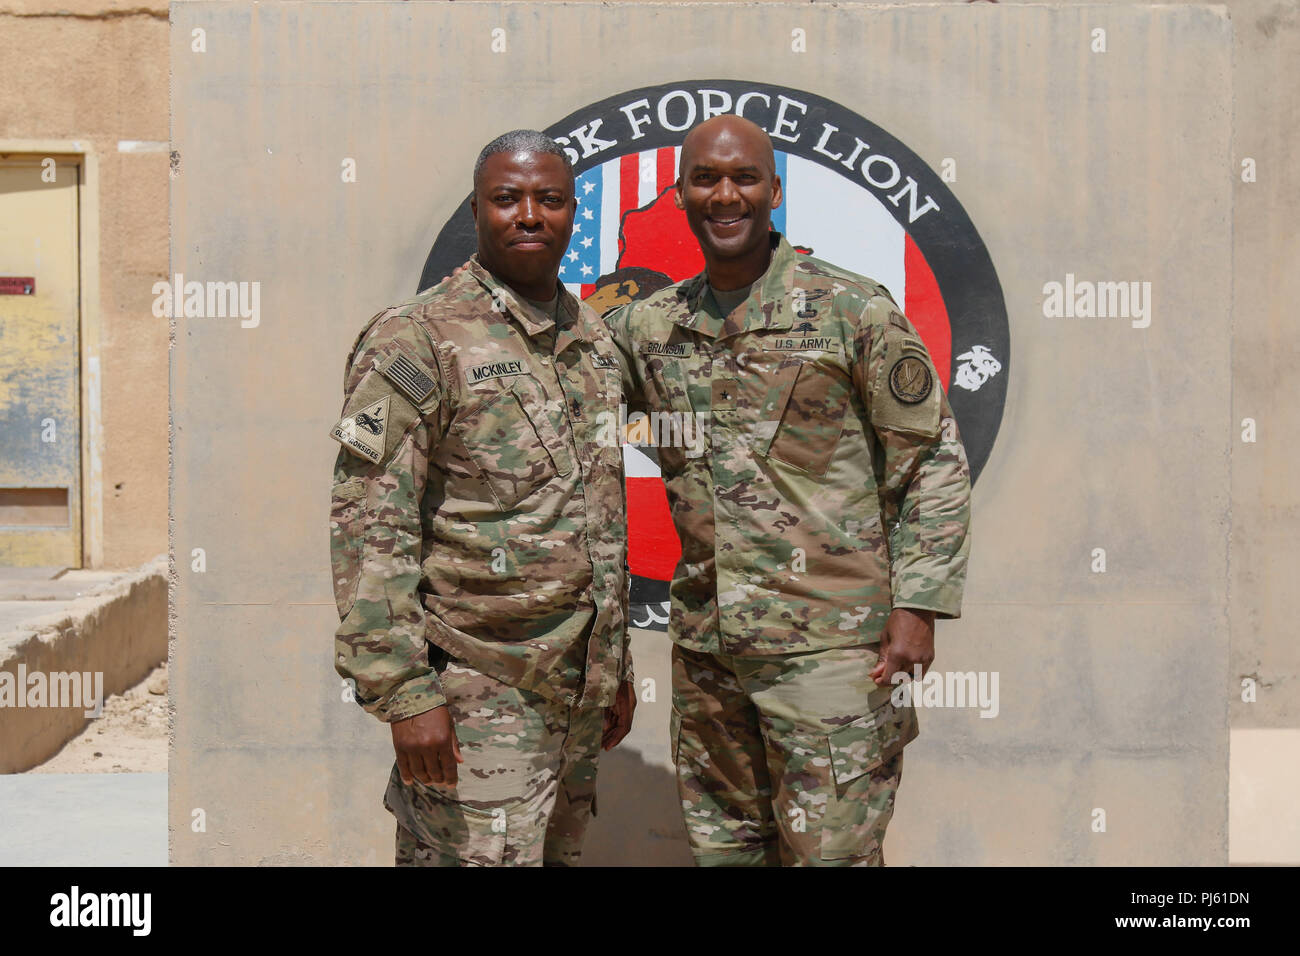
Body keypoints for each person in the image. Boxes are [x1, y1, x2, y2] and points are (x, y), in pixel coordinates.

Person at [604, 115, 972, 866]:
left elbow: (931, 459)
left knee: (829, 854)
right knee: (724, 853)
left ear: (775, 189)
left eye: (744, 178)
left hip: (833, 652)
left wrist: (919, 606)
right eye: (706, 179)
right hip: (709, 652)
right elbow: (566, 416)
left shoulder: (851, 310)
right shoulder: (649, 329)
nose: (725, 195)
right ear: (680, 195)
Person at [329, 129, 636, 867]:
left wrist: (613, 667)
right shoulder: (415, 339)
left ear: (572, 213)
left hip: (576, 692)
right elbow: (371, 521)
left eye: (549, 199)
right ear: (477, 210)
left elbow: (599, 514)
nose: (529, 214)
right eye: (507, 199)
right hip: (472, 692)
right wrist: (404, 693)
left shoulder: (592, 339)